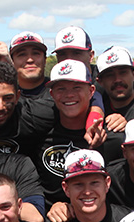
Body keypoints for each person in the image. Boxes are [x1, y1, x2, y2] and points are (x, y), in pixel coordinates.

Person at [17, 60, 122, 204]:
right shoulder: (39, 135)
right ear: (52, 94)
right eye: (61, 89)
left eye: (76, 87)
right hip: (50, 221)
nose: (69, 95)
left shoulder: (111, 138)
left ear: (92, 91)